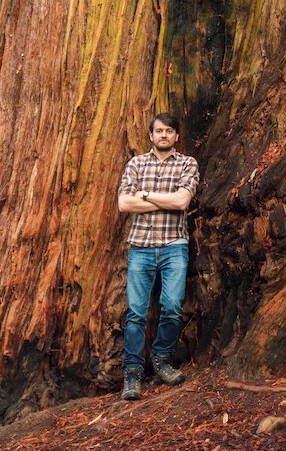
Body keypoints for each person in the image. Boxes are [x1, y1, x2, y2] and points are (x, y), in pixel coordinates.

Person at [116, 112, 199, 400]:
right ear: (150, 135)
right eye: (159, 131)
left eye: (169, 131)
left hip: (174, 245)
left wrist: (145, 195)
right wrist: (162, 200)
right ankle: (132, 372)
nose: (164, 135)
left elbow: (181, 201)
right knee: (136, 313)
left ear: (176, 136)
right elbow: (124, 203)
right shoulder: (136, 163)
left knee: (173, 306)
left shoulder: (188, 164)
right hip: (140, 247)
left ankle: (162, 359)